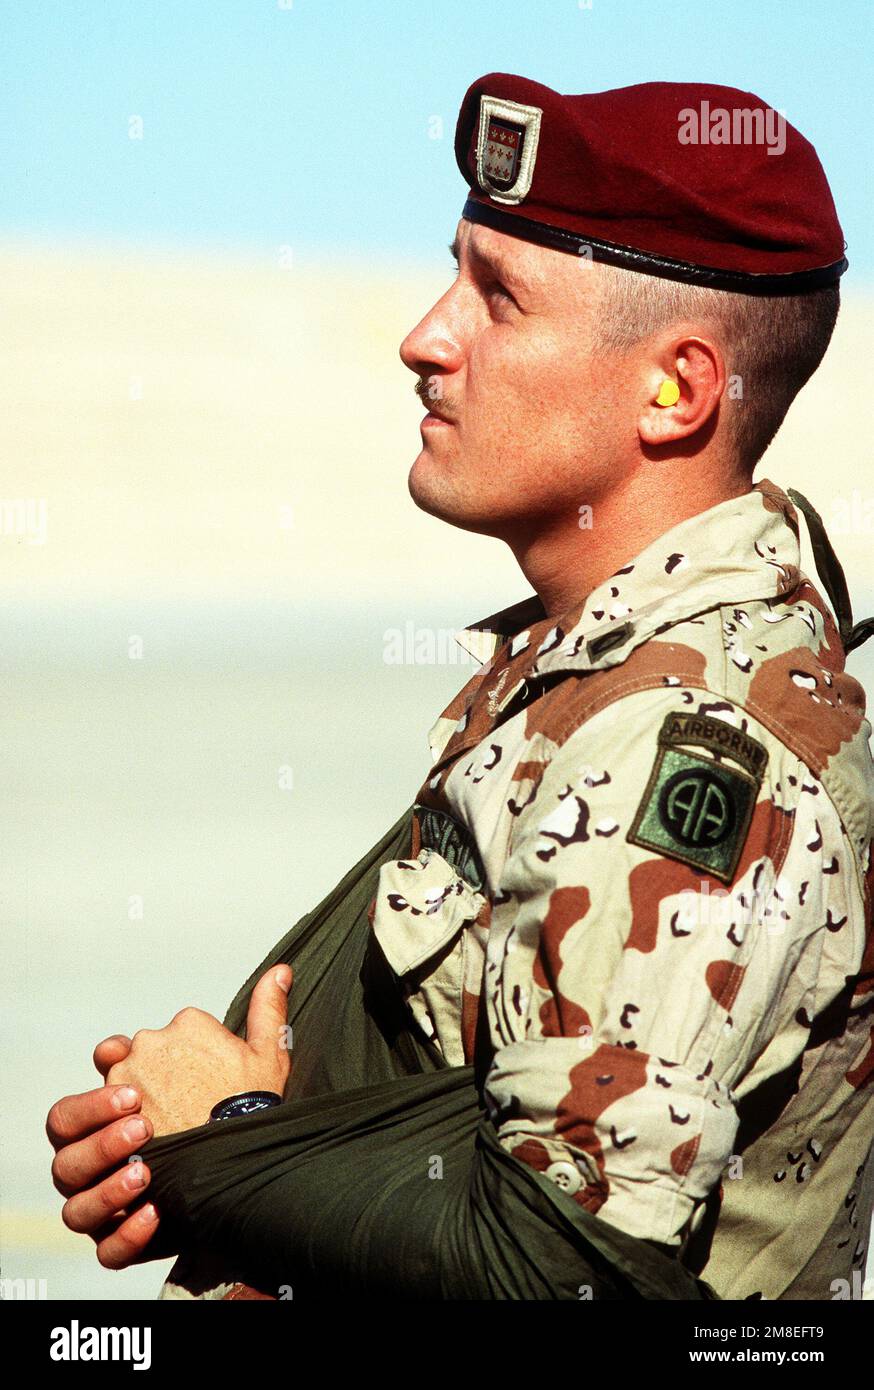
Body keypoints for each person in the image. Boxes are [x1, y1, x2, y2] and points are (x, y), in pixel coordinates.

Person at [46, 73, 874, 1301]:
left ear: (676, 390)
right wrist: (217, 1164)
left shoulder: (684, 743)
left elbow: (562, 1268)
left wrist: (230, 1133)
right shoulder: (587, 673)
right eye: (456, 274)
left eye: (499, 297)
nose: (426, 336)